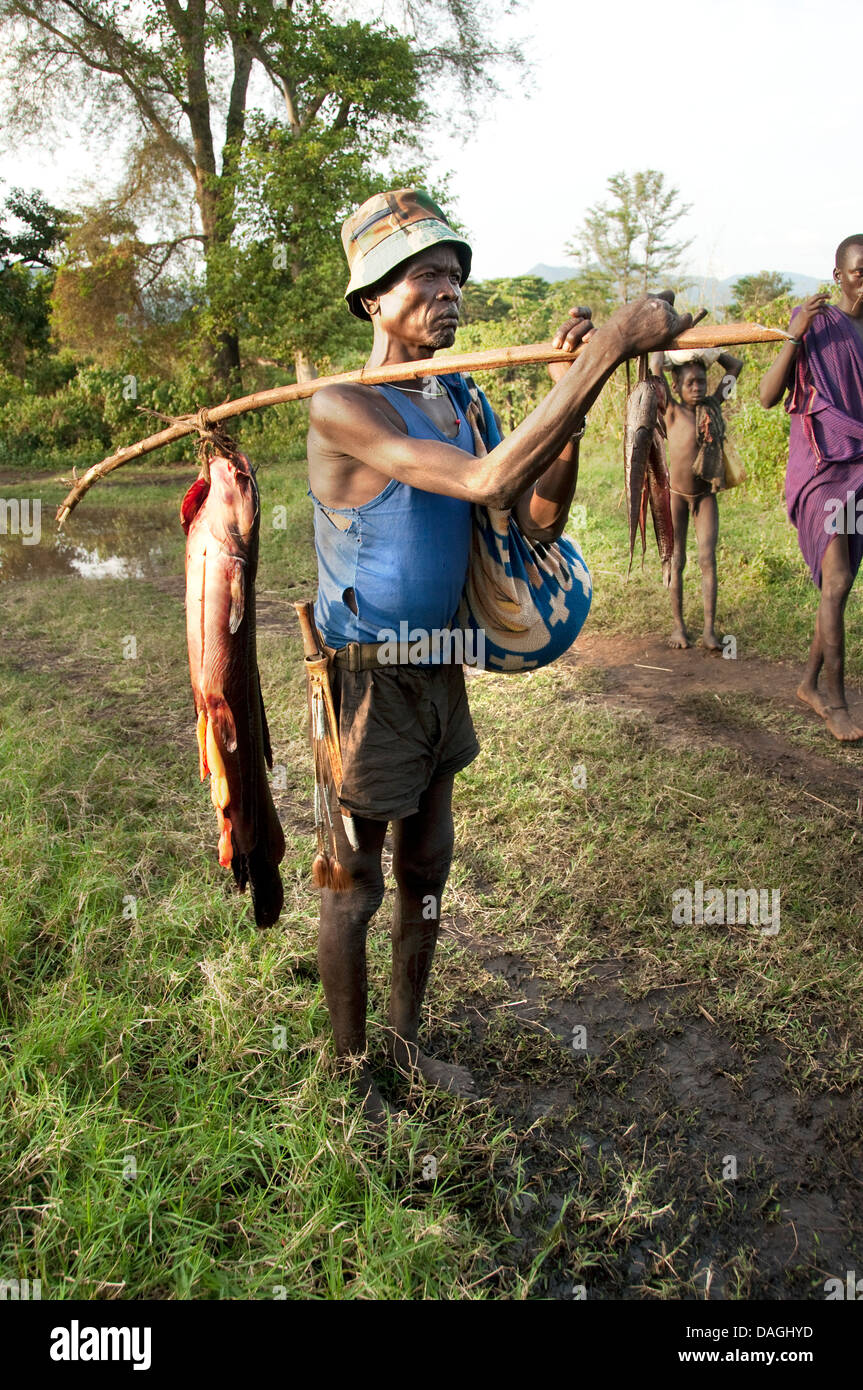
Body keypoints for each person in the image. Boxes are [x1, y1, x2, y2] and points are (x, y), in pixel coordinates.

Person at [306, 188, 692, 1119]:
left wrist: (585, 392)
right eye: (424, 275)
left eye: (453, 274)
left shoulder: (458, 398)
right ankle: (354, 1076)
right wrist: (602, 354)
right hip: (366, 674)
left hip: (438, 662)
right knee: (354, 877)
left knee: (427, 865)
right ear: (372, 299)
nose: (448, 291)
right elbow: (483, 480)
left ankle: (405, 1046)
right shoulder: (344, 407)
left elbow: (532, 512)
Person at [760, 235, 863, 742]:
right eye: (859, 271)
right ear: (838, 274)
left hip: (861, 470)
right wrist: (794, 335)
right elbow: (764, 396)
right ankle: (838, 703)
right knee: (839, 580)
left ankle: (808, 684)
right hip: (822, 470)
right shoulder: (817, 324)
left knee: (833, 587)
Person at [649, 349, 743, 650]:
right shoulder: (671, 411)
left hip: (704, 497)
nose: (697, 388)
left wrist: (711, 351)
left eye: (701, 382)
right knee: (676, 561)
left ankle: (709, 631)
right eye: (689, 383)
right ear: (675, 387)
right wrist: (669, 344)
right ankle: (678, 628)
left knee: (707, 560)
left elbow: (735, 366)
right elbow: (655, 368)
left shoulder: (713, 406)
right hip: (676, 497)